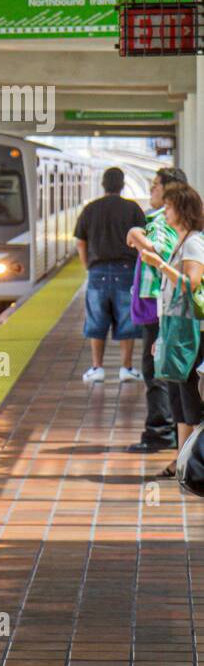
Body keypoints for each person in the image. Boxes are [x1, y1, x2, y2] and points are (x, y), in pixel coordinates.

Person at [136, 183, 204, 475]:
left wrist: (159, 264)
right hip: (177, 328)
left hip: (192, 332)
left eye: (169, 207)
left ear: (183, 210)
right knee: (178, 397)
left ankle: (193, 463)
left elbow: (191, 283)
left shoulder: (193, 243)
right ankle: (181, 461)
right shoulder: (180, 240)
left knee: (189, 396)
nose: (164, 211)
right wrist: (163, 336)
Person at [126, 167, 188, 454]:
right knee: (159, 369)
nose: (151, 191)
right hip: (161, 304)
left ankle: (161, 431)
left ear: (168, 191)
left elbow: (161, 255)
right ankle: (169, 430)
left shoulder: (162, 222)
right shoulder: (167, 221)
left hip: (160, 306)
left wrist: (137, 235)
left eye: (154, 186)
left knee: (156, 371)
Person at [74, 167, 146, 383]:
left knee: (96, 320)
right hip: (126, 271)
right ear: (122, 184)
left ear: (103, 184)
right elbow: (143, 240)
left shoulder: (90, 209)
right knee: (127, 319)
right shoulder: (132, 209)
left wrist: (88, 266)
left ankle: (97, 368)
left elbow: (80, 242)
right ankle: (127, 368)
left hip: (98, 271)